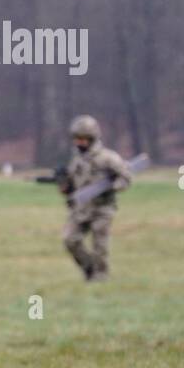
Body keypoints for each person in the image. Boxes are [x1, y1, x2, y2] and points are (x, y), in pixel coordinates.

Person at [61, 114, 132, 282]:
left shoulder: (108, 158)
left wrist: (109, 188)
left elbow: (125, 178)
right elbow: (71, 185)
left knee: (100, 245)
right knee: (70, 240)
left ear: (92, 138)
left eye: (83, 139)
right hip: (81, 209)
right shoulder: (77, 159)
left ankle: (100, 277)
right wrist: (64, 186)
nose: (79, 142)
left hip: (102, 208)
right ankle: (89, 267)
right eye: (77, 139)